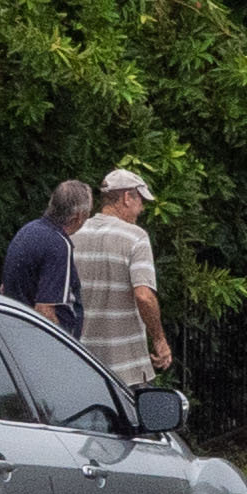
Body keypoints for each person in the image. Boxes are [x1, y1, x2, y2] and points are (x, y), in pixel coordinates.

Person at [76, 165, 166, 389]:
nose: (141, 208)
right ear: (127, 197)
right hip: (126, 370)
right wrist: (159, 340)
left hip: (82, 362)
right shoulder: (136, 237)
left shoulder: (75, 233)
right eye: (140, 201)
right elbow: (144, 296)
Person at [0, 179, 92, 338]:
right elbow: (45, 309)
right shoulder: (58, 244)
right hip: (40, 343)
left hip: (16, 332)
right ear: (79, 216)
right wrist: (61, 345)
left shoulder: (28, 230)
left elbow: (4, 288)